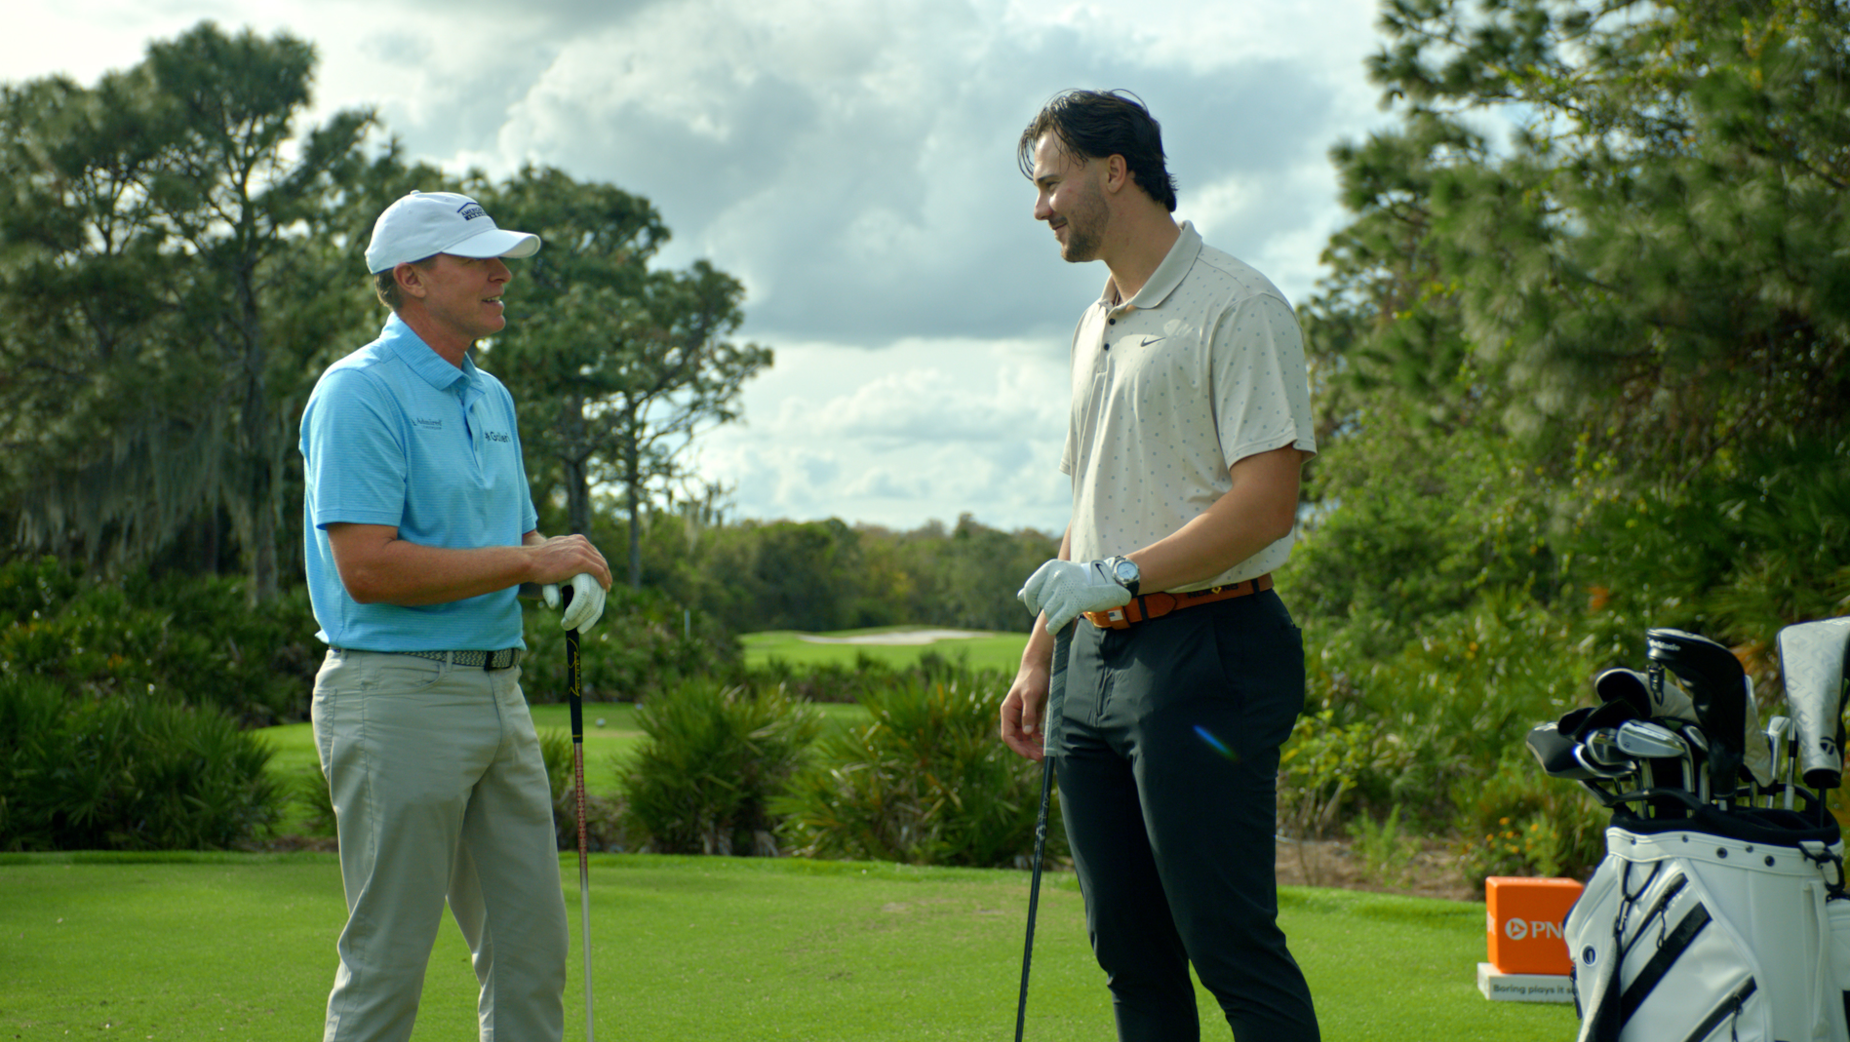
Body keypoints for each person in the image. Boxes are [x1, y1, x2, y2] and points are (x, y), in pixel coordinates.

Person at [1002, 91, 1322, 1042]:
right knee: (1131, 955)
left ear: (1115, 171)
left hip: (1210, 653)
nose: (1040, 208)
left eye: (1051, 183)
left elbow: (1266, 504)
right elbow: (1089, 508)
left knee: (1228, 945)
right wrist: (1040, 655)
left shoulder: (1238, 305)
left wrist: (1123, 576)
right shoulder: (1093, 323)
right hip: (1093, 665)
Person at [299, 189, 613, 1042]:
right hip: (396, 696)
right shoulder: (358, 392)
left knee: (530, 953)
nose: (501, 274)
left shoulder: (490, 395)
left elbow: (515, 536)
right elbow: (368, 568)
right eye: (479, 261)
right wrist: (529, 563)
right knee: (388, 961)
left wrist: (557, 572)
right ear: (412, 278)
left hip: (498, 692)